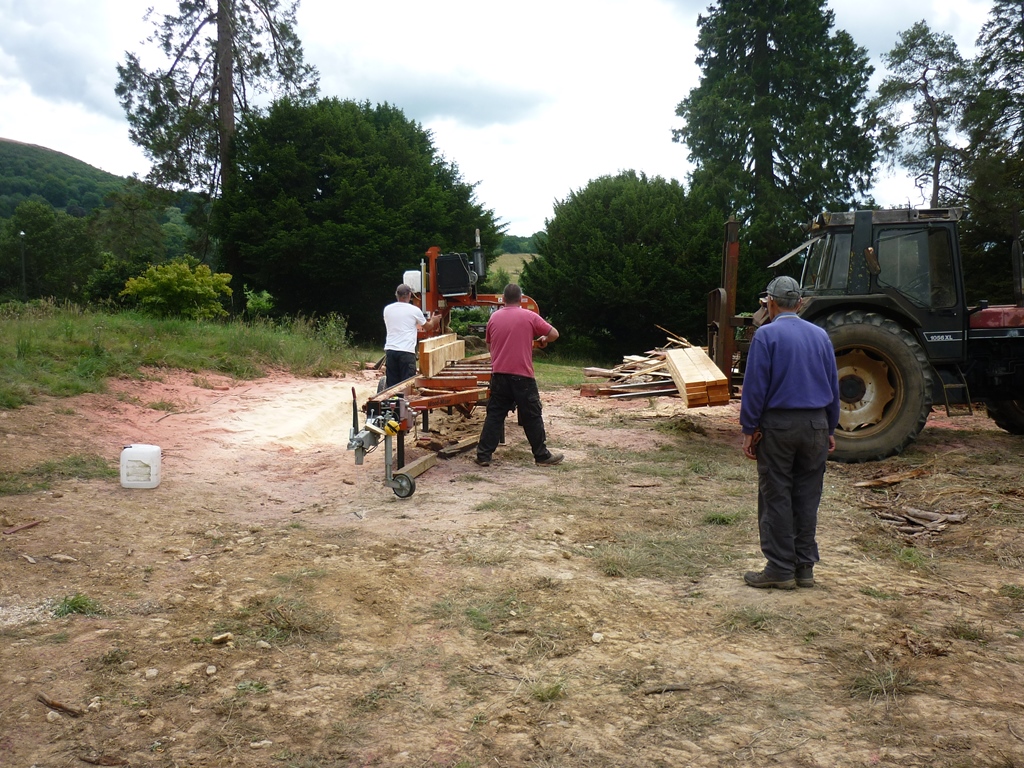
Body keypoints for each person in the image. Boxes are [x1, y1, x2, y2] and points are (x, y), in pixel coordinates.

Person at [739, 275, 840, 590]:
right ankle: (804, 568)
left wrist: (749, 428)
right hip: (816, 425)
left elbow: (755, 387)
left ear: (770, 302)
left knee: (776, 495)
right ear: (800, 303)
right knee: (807, 496)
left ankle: (780, 569)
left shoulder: (766, 335)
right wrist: (830, 427)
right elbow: (833, 385)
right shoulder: (821, 336)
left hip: (779, 426)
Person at [476, 283, 563, 467]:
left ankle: (483, 455)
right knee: (532, 415)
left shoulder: (494, 317)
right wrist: (544, 339)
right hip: (522, 376)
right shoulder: (529, 316)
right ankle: (541, 456)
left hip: (499, 375)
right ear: (521, 299)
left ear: (503, 299)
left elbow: (489, 345)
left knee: (495, 415)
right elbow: (554, 334)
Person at [383, 284, 438, 389]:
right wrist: (434, 321)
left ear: (396, 295)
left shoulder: (387, 309)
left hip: (391, 351)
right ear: (409, 295)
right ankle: (405, 399)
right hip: (406, 352)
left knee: (392, 387)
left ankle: (394, 400)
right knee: (407, 386)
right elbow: (427, 327)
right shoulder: (414, 310)